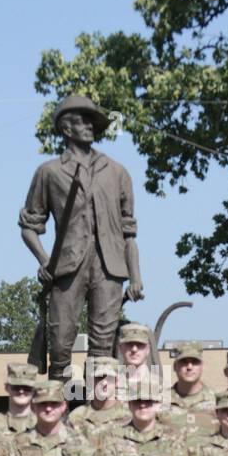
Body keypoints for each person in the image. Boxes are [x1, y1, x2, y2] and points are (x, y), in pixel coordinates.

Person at [20, 95, 144, 380]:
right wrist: (45, 261)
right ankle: (58, 411)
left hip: (110, 268)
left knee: (103, 348)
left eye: (92, 121)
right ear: (67, 130)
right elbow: (29, 226)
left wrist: (135, 276)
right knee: (61, 342)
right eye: (82, 121)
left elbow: (129, 233)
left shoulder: (117, 172)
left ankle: (98, 413)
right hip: (66, 269)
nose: (89, 126)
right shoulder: (48, 172)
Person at [164, 342, 218, 441]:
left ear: (202, 367)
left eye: (194, 362)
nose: (189, 367)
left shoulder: (218, 401)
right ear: (175, 366)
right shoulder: (159, 401)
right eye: (184, 362)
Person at [67, 357, 127, 438]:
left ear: (117, 382)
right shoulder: (76, 418)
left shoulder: (129, 416)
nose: (104, 382)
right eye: (99, 377)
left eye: (109, 378)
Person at [2, 363, 40, 434]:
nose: (21, 391)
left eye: (27, 388)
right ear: (7, 387)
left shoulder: (44, 425)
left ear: (34, 389)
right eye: (16, 387)